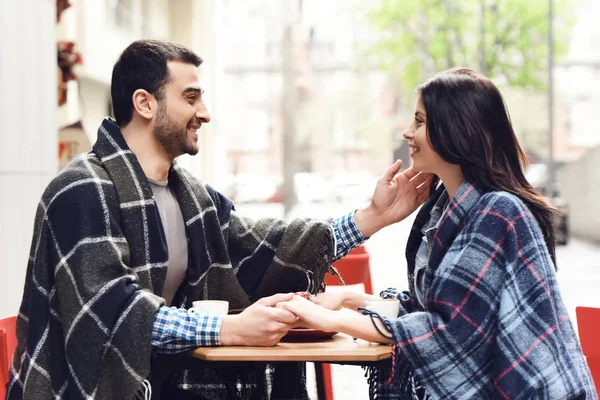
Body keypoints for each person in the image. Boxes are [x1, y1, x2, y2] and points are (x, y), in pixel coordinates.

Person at [7, 40, 432, 400]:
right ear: (145, 103)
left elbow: (265, 245)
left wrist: (372, 218)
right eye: (191, 98)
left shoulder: (189, 194)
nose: (205, 112)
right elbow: (115, 312)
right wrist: (228, 328)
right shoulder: (81, 190)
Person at [280, 68, 597, 399]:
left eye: (419, 121)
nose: (406, 132)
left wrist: (326, 319)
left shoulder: (497, 213)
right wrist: (346, 299)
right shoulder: (441, 210)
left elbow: (447, 332)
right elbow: (429, 315)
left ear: (455, 129)